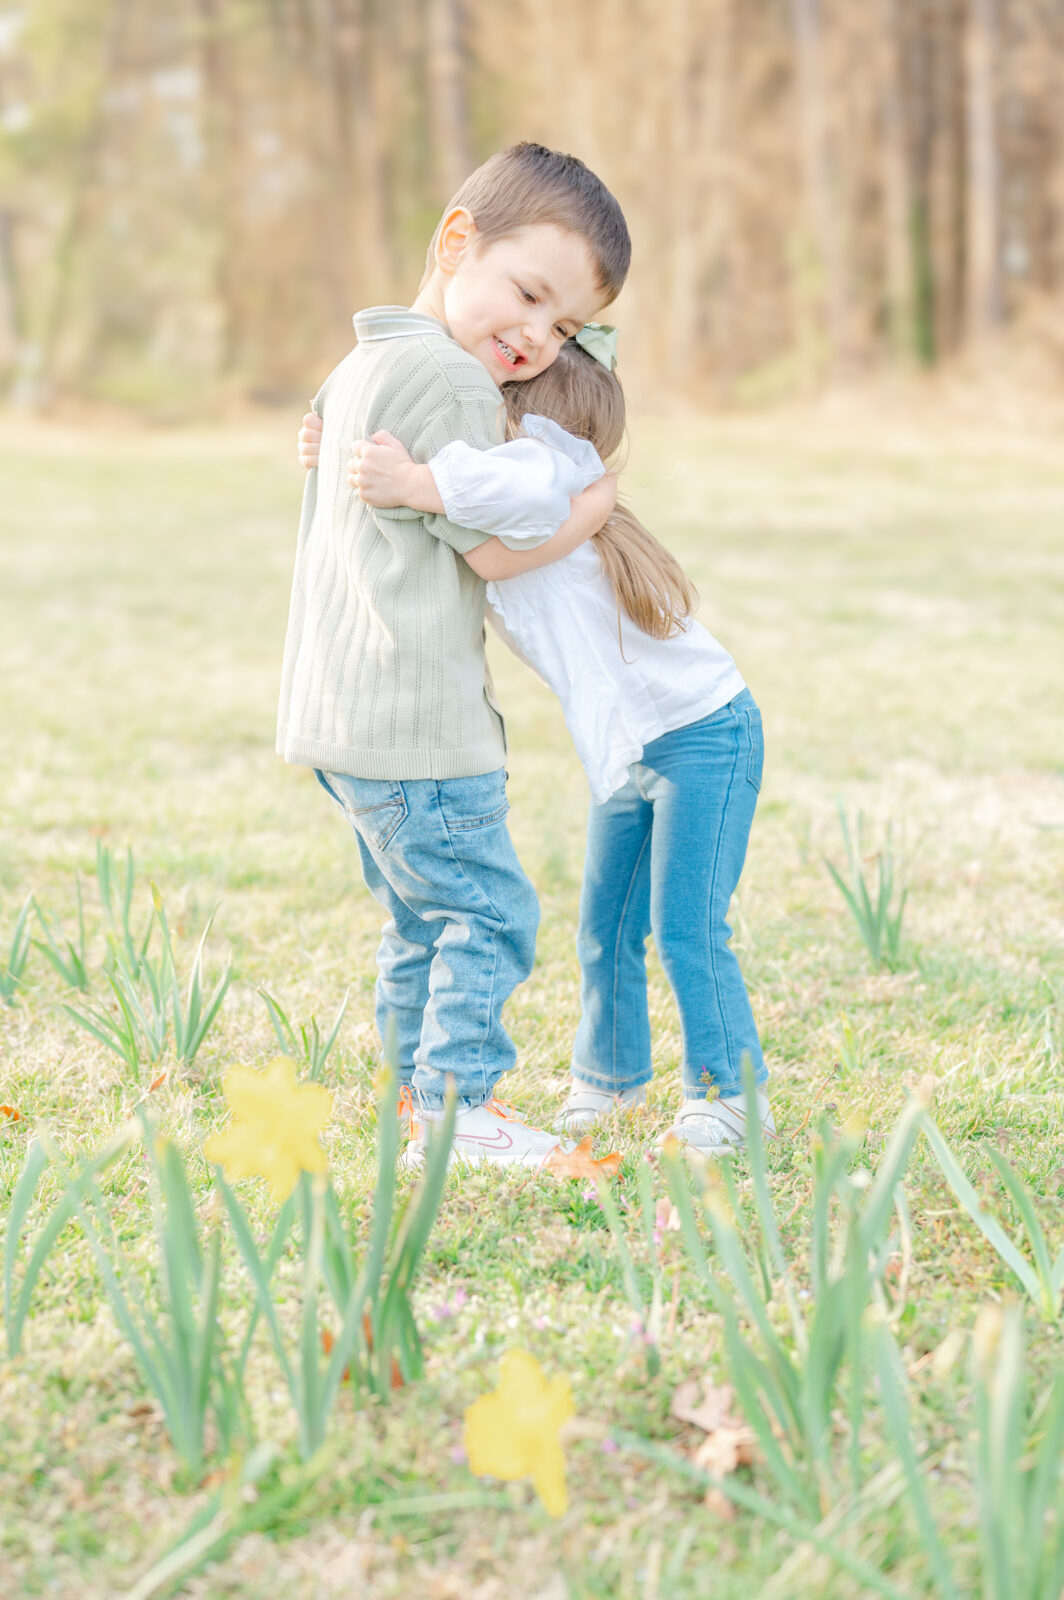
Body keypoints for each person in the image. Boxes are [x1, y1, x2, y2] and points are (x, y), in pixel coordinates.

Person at [302, 336, 774, 1157]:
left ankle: (729, 1095)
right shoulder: (546, 494)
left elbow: (482, 512)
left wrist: (411, 482)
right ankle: (611, 1082)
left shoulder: (541, 472)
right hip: (628, 750)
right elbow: (477, 528)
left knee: (688, 925)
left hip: (704, 733)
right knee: (605, 928)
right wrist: (334, 445)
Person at [279, 143, 630, 1171]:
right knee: (487, 909)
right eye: (526, 295)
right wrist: (590, 502)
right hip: (419, 720)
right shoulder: (450, 380)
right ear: (453, 241)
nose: (535, 338)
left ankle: (408, 1099)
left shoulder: (363, 361)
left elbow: (324, 451)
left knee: (421, 920)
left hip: (342, 720)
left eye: (564, 326)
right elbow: (490, 540)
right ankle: (453, 1107)